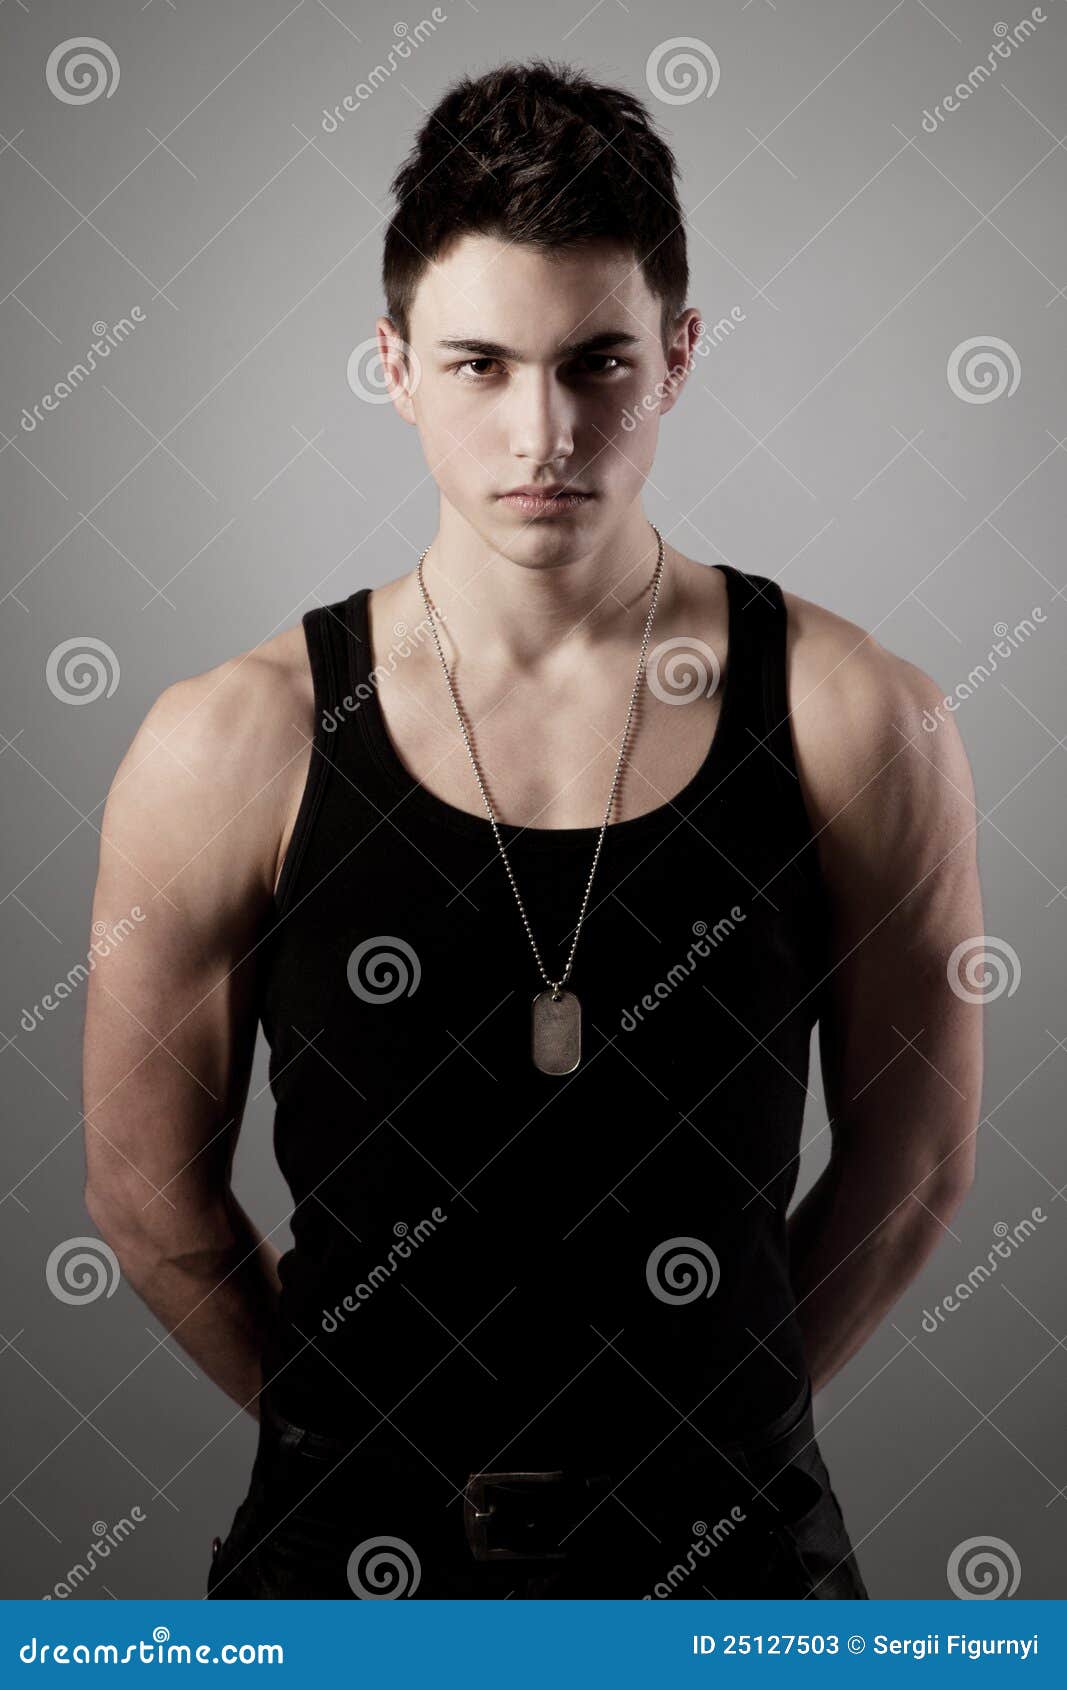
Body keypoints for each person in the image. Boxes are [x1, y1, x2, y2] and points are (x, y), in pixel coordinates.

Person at [82, 60, 982, 1600]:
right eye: (482, 364)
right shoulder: (233, 738)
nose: (543, 431)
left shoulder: (856, 715)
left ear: (680, 355)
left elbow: (913, 1167)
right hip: (349, 1575)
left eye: (597, 364)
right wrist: (359, 1441)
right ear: (393, 364)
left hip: (733, 1570)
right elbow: (143, 1195)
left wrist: (716, 1436)